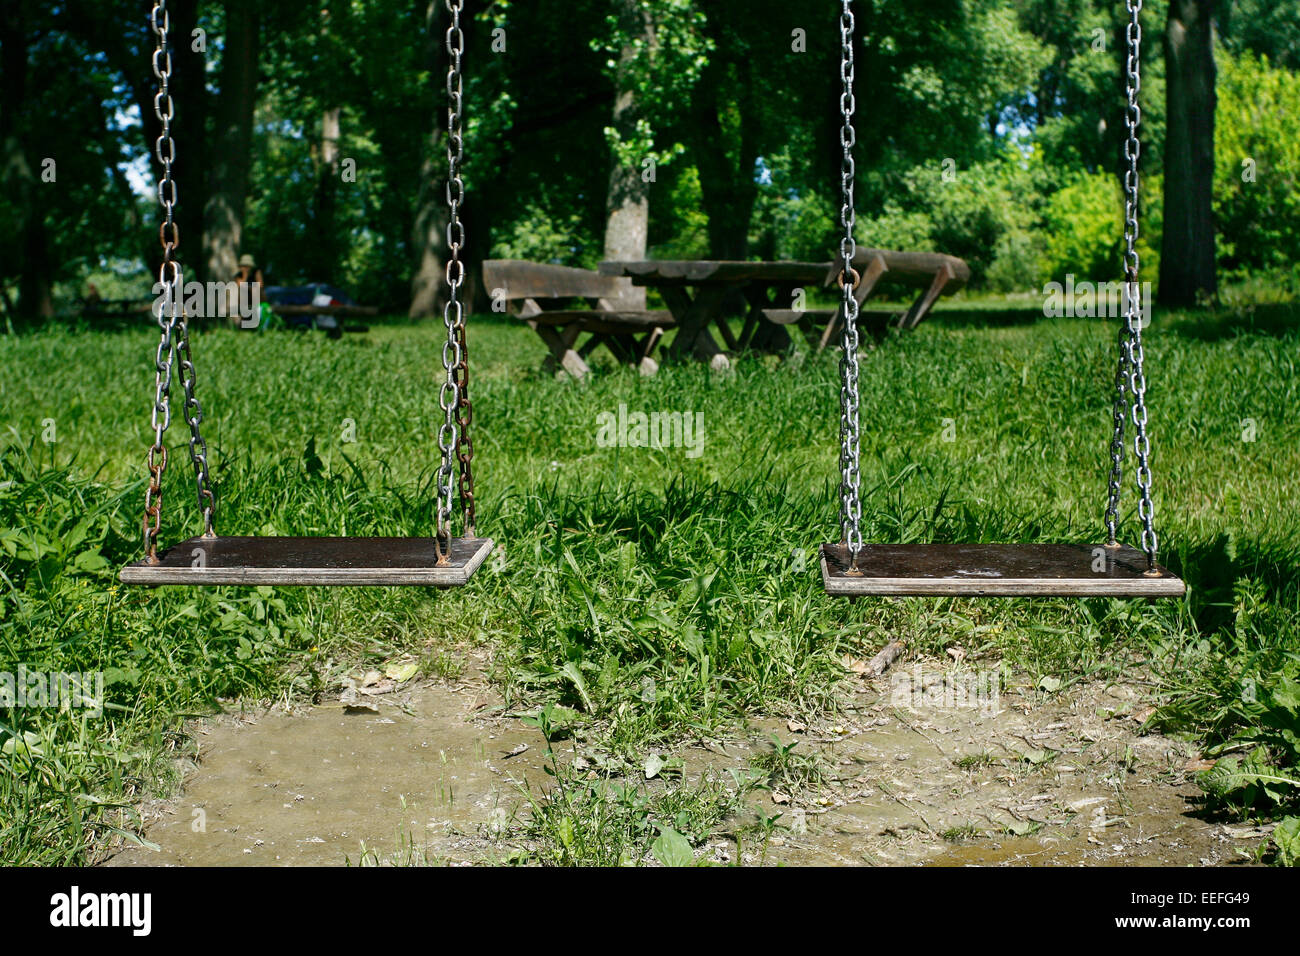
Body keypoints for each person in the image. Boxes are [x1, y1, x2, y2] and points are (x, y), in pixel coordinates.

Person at [233, 253, 265, 328]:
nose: (245, 268)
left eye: (247, 266)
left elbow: (260, 285)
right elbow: (240, 285)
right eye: (243, 266)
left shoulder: (256, 272)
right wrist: (245, 276)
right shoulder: (238, 276)